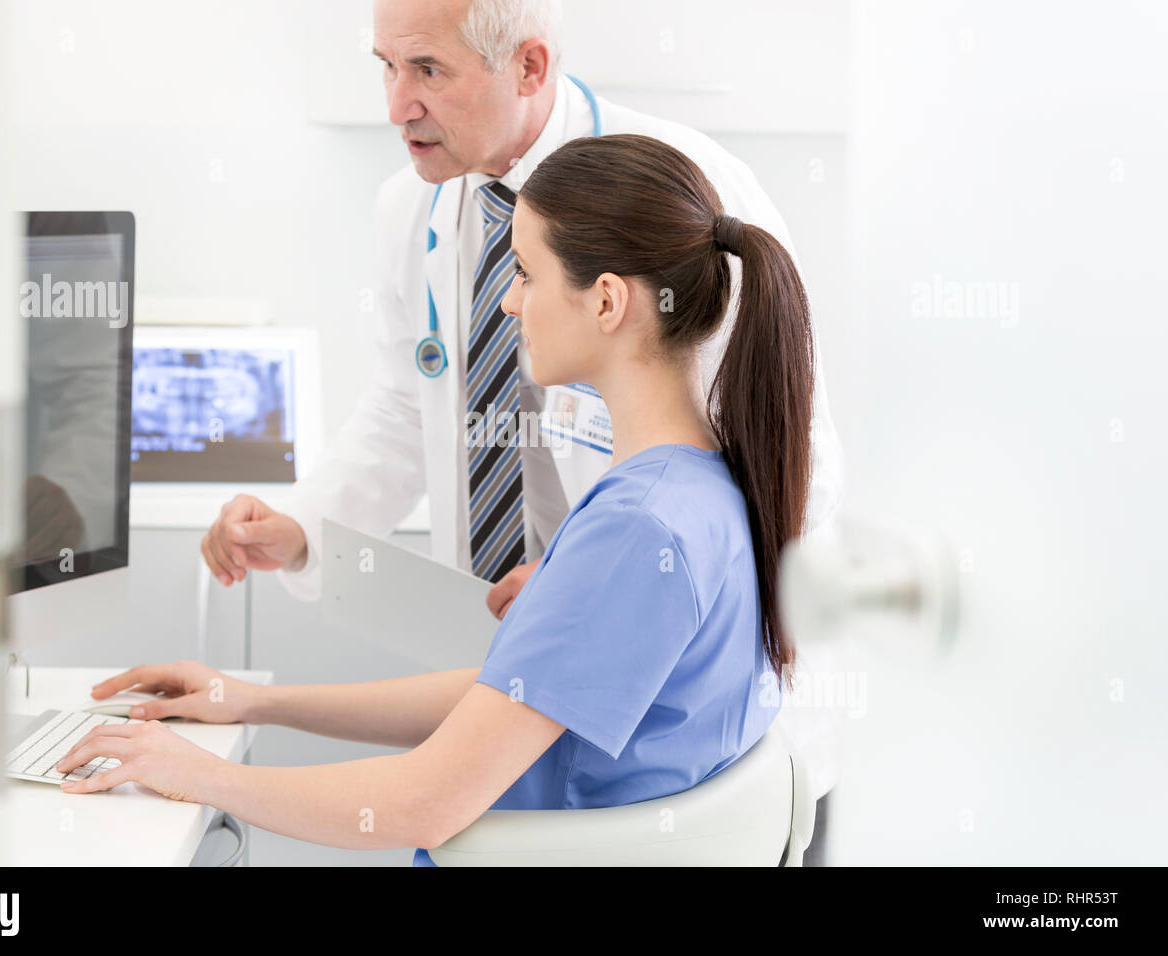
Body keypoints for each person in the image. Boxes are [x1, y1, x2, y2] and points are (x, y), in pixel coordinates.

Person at [57, 132, 817, 865]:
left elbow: (426, 799)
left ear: (608, 302)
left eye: (524, 273)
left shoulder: (634, 532)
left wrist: (200, 776)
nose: (510, 303)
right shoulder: (706, 489)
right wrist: (250, 701)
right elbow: (507, 703)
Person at [199, 0, 843, 858]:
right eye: (384, 67)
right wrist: (302, 537)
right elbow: (405, 401)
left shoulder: (685, 192)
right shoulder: (412, 207)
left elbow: (788, 440)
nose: (397, 104)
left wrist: (603, 580)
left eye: (428, 70)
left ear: (529, 67)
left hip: (645, 734)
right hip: (550, 679)